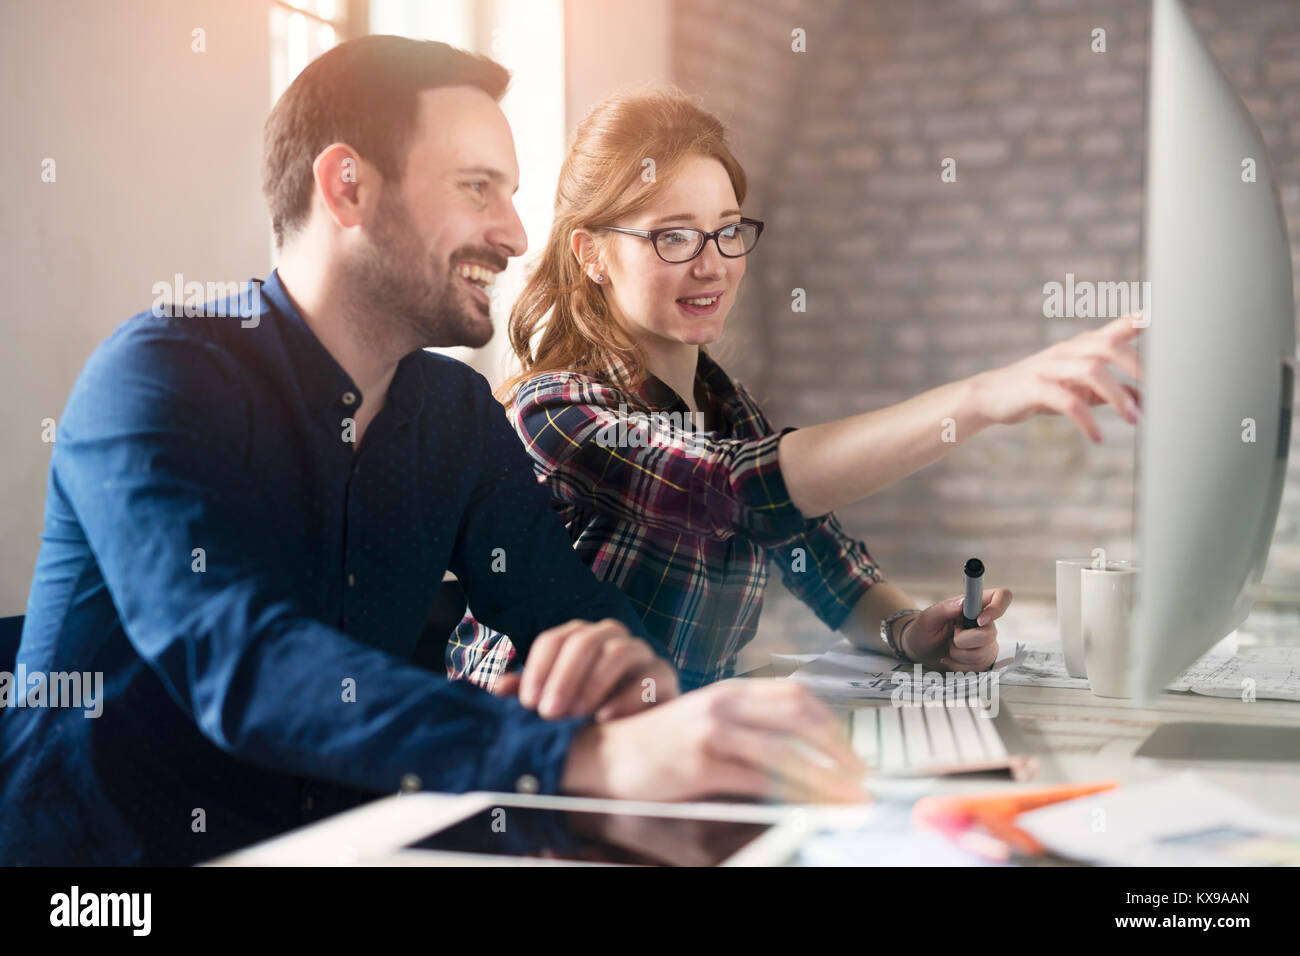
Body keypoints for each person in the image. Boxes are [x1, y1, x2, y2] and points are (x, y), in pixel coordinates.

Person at [0, 39, 865, 867]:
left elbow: (576, 616)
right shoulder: (159, 375)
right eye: (479, 187)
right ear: (347, 187)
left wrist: (628, 678)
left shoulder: (453, 415)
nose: (517, 234)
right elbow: (240, 662)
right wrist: (577, 759)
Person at [448, 87, 1142, 692]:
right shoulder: (553, 410)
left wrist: (908, 630)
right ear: (592, 254)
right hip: (530, 762)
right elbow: (734, 491)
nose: (712, 266)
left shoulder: (728, 409)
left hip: (673, 751)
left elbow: (820, 558)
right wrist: (981, 398)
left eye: (726, 232)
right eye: (673, 238)